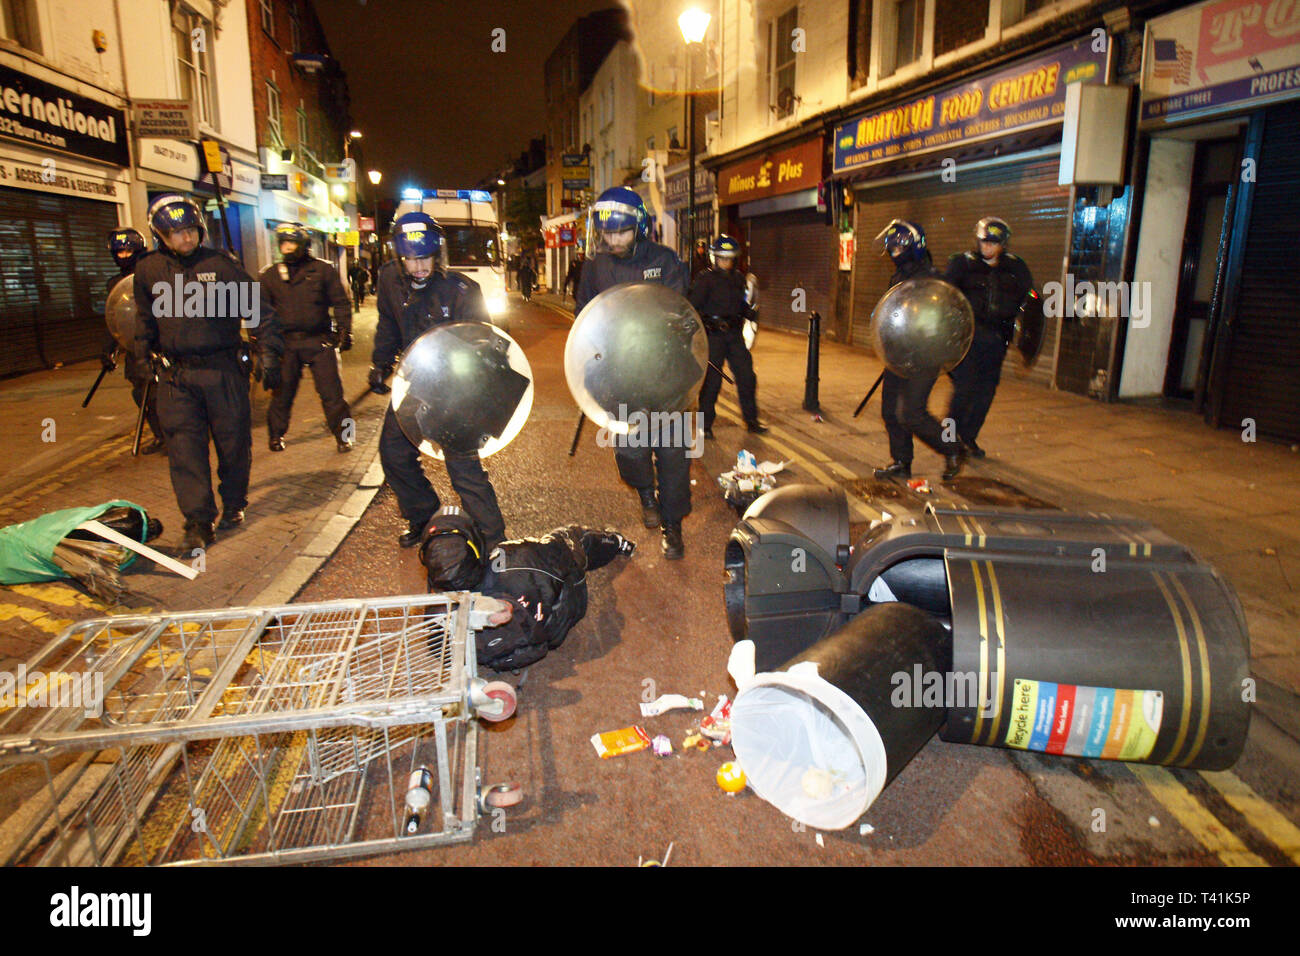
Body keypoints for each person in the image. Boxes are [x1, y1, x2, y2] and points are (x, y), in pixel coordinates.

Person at [133, 194, 283, 553]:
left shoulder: (222, 266)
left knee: (233, 444)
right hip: (176, 377)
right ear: (160, 236)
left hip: (223, 371)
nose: (185, 239)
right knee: (184, 449)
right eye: (175, 233)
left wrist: (269, 353)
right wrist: (142, 359)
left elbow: (259, 312)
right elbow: (142, 320)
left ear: (199, 229)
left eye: (189, 231)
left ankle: (234, 502)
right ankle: (198, 522)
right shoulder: (148, 270)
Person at [369, 211, 508, 549]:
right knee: (394, 454)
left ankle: (495, 542)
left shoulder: (462, 290)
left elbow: (487, 345)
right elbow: (388, 324)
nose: (419, 267)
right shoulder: (389, 280)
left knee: (464, 469)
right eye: (411, 259)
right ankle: (424, 517)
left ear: (438, 254)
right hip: (414, 385)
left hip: (454, 392)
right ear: (399, 258)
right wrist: (379, 363)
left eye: (425, 258)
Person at [575, 186, 692, 559]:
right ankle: (645, 492)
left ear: (639, 227)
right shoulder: (596, 267)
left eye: (621, 232)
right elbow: (584, 317)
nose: (613, 239)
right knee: (630, 451)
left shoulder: (666, 260)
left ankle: (672, 526)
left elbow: (681, 309)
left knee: (673, 456)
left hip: (665, 373)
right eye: (607, 232)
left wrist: (680, 325)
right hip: (621, 379)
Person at [420, 506, 635, 672]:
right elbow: (565, 557)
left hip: (512, 649)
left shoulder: (437, 610)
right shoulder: (516, 557)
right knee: (569, 539)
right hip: (555, 625)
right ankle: (617, 542)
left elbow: (441, 649)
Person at [872, 220, 963, 482]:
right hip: (897, 356)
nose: (893, 253)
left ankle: (953, 449)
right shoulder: (899, 276)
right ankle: (901, 462)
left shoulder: (932, 279)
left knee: (911, 413)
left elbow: (946, 317)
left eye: (899, 247)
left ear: (915, 246)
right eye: (891, 248)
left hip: (924, 357)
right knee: (890, 412)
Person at [259, 222, 354, 454]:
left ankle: (346, 436)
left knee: (333, 394)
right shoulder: (269, 275)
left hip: (319, 340)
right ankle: (276, 435)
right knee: (282, 394)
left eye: (292, 243)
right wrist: (263, 346)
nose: (288, 248)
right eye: (284, 243)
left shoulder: (323, 270)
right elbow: (260, 312)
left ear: (303, 245)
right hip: (286, 344)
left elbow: (341, 302)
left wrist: (344, 330)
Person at [945, 217, 1034, 459]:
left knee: (986, 392)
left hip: (997, 340)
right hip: (968, 339)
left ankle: (969, 436)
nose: (988, 248)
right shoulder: (962, 264)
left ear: (1003, 244)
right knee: (963, 390)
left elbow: (1030, 302)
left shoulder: (1015, 268)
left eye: (994, 244)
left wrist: (1026, 337)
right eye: (985, 242)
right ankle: (949, 439)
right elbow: (945, 296)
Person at [689, 234, 765, 439]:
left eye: (730, 258)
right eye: (722, 258)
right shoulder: (705, 280)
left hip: (734, 336)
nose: (726, 262)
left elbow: (741, 304)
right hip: (713, 336)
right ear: (715, 258)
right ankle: (704, 426)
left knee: (747, 377)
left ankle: (751, 420)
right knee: (712, 382)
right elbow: (693, 306)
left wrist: (751, 313)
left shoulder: (739, 279)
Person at [101, 227, 164, 454]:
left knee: (163, 395)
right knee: (141, 394)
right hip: (134, 348)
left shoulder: (153, 274)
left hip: (159, 345)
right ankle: (159, 435)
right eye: (119, 252)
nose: (124, 256)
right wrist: (108, 349)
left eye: (128, 251)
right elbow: (114, 319)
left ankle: (176, 436)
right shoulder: (115, 284)